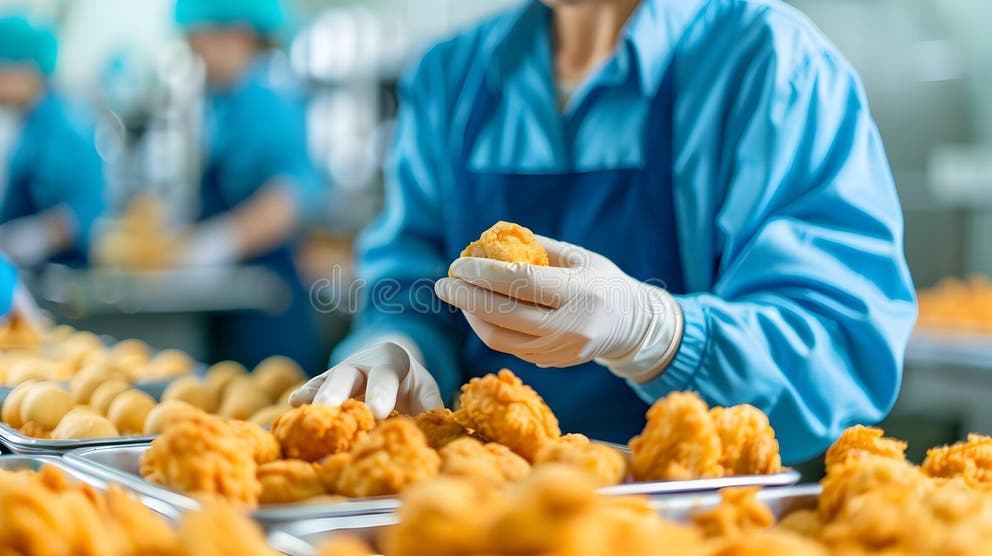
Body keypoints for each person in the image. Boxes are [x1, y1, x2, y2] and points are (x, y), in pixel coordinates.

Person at [294, 0, 917, 462]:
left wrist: (657, 333)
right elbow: (411, 277)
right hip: (484, 505)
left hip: (692, 516)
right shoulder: (452, 78)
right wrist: (402, 345)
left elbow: (840, 345)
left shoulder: (771, 67)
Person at [173, 0, 322, 372]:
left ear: (236, 34)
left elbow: (290, 198)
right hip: (231, 298)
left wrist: (216, 243)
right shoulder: (224, 101)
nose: (193, 52)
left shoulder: (268, 99)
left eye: (198, 39)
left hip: (267, 302)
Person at [0, 14, 105, 268]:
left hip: (60, 275)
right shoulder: (26, 125)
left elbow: (86, 209)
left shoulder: (65, 129)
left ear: (25, 70)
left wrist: (27, 240)